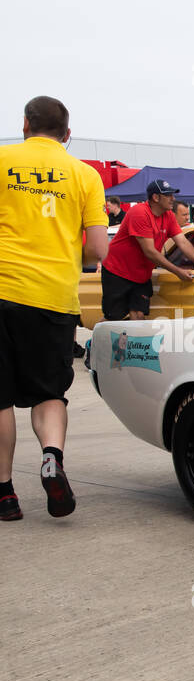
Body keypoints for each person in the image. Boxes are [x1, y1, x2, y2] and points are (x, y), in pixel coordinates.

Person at [0, 95, 109, 521]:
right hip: (52, 299)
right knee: (50, 394)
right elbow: (99, 249)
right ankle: (51, 457)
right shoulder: (84, 175)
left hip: (2, 291)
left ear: (25, 125)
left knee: (0, 399)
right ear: (67, 135)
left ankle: (5, 494)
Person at [101, 179, 194, 322]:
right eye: (168, 195)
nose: (173, 199)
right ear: (155, 197)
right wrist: (178, 271)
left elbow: (183, 241)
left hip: (140, 275)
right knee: (114, 318)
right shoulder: (140, 212)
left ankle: (135, 343)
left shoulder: (169, 216)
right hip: (117, 271)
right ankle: (95, 343)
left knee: (139, 315)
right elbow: (150, 252)